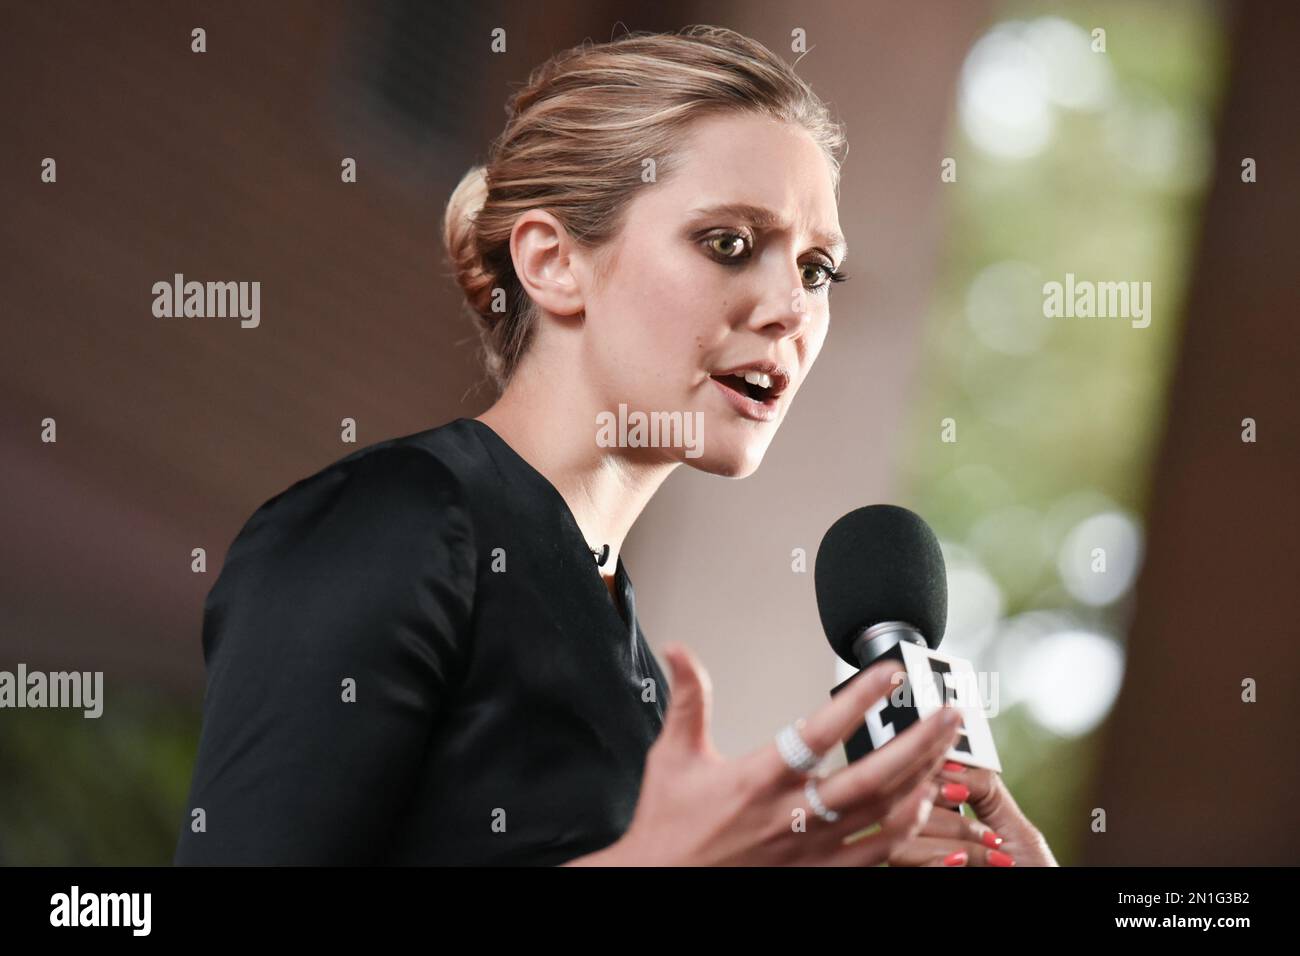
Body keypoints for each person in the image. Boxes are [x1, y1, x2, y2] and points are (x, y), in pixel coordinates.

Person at [174, 24, 1054, 866]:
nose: (792, 309)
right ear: (553, 263)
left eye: (816, 269)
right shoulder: (391, 524)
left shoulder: (631, 666)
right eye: (729, 243)